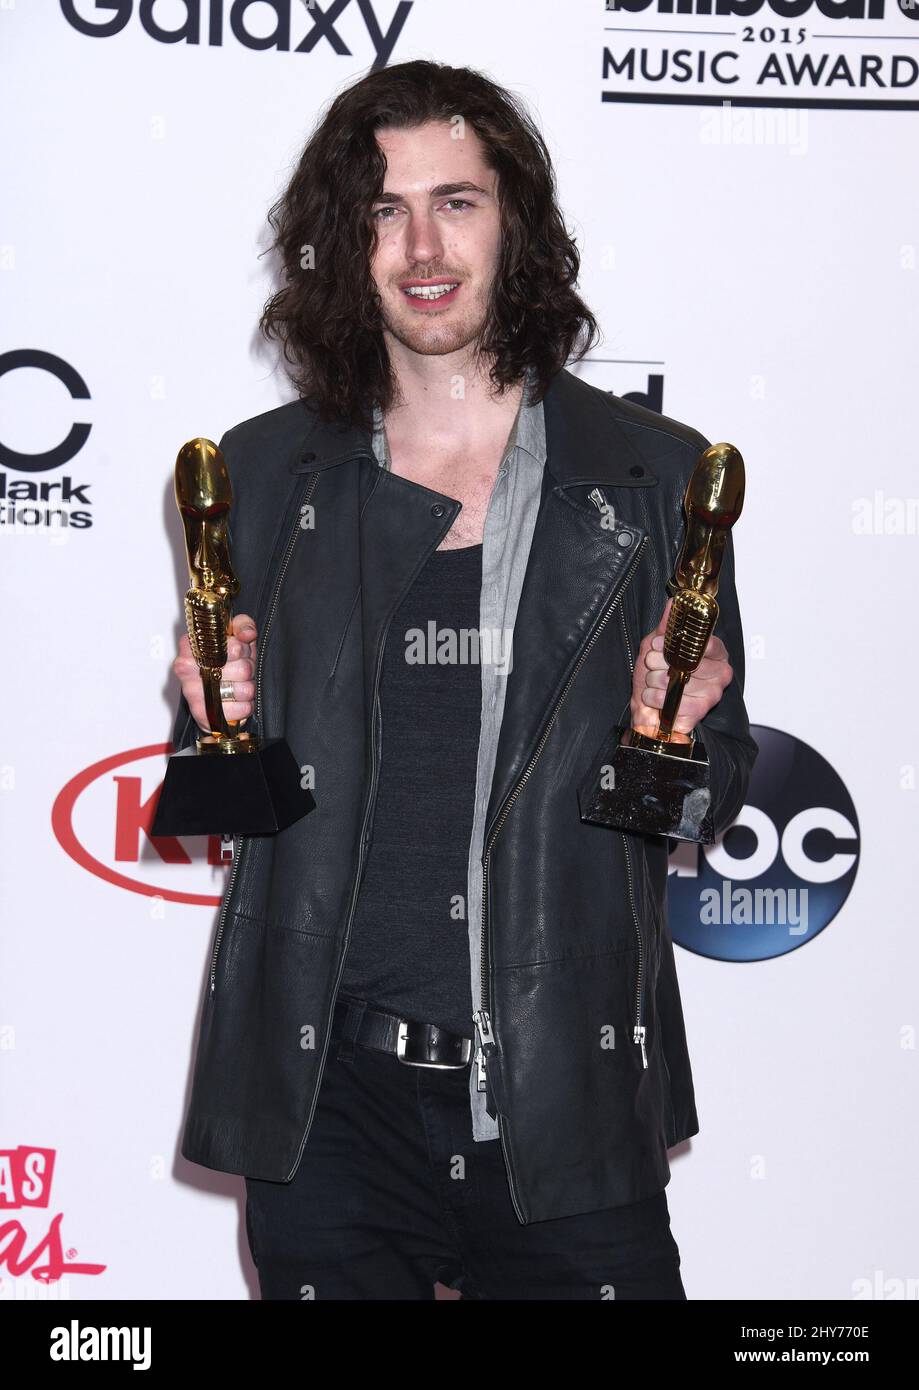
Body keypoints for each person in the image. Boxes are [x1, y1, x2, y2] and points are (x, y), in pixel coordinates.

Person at [169, 59, 757, 1300]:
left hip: (562, 1089)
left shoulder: (651, 476)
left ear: (515, 223)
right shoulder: (265, 475)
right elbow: (226, 811)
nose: (422, 247)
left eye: (457, 202)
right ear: (344, 241)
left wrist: (672, 737)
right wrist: (215, 724)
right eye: (383, 210)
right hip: (328, 1108)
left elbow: (700, 806)